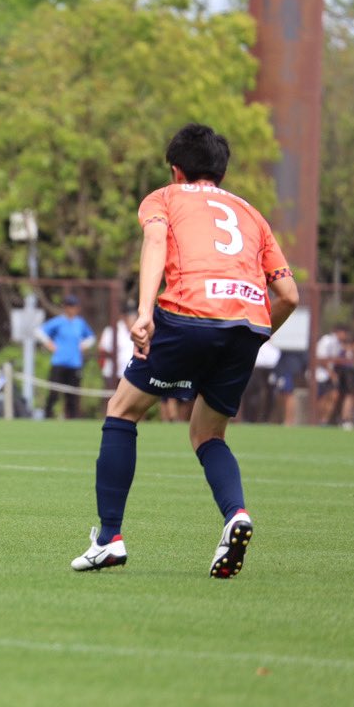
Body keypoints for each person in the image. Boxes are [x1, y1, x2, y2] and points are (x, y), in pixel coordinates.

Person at [70, 123, 298, 578]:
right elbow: (289, 295)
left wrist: (144, 313)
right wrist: (251, 338)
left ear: (176, 170)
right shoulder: (252, 214)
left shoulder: (165, 198)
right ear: (222, 171)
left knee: (122, 411)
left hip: (189, 313)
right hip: (248, 322)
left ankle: (109, 539)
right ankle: (236, 514)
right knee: (208, 435)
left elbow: (155, 241)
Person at [36, 295, 95, 419]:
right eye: (69, 306)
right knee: (54, 392)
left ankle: (72, 419)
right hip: (59, 362)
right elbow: (39, 332)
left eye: (73, 306)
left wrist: (83, 345)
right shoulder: (59, 321)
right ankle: (48, 415)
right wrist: (49, 344)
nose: (71, 309)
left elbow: (91, 338)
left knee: (72, 395)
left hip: (74, 363)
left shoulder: (80, 323)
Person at [98, 300, 137, 387]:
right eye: (131, 316)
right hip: (112, 374)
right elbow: (102, 350)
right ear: (124, 317)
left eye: (135, 316)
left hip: (130, 375)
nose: (133, 319)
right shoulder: (111, 330)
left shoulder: (137, 331)